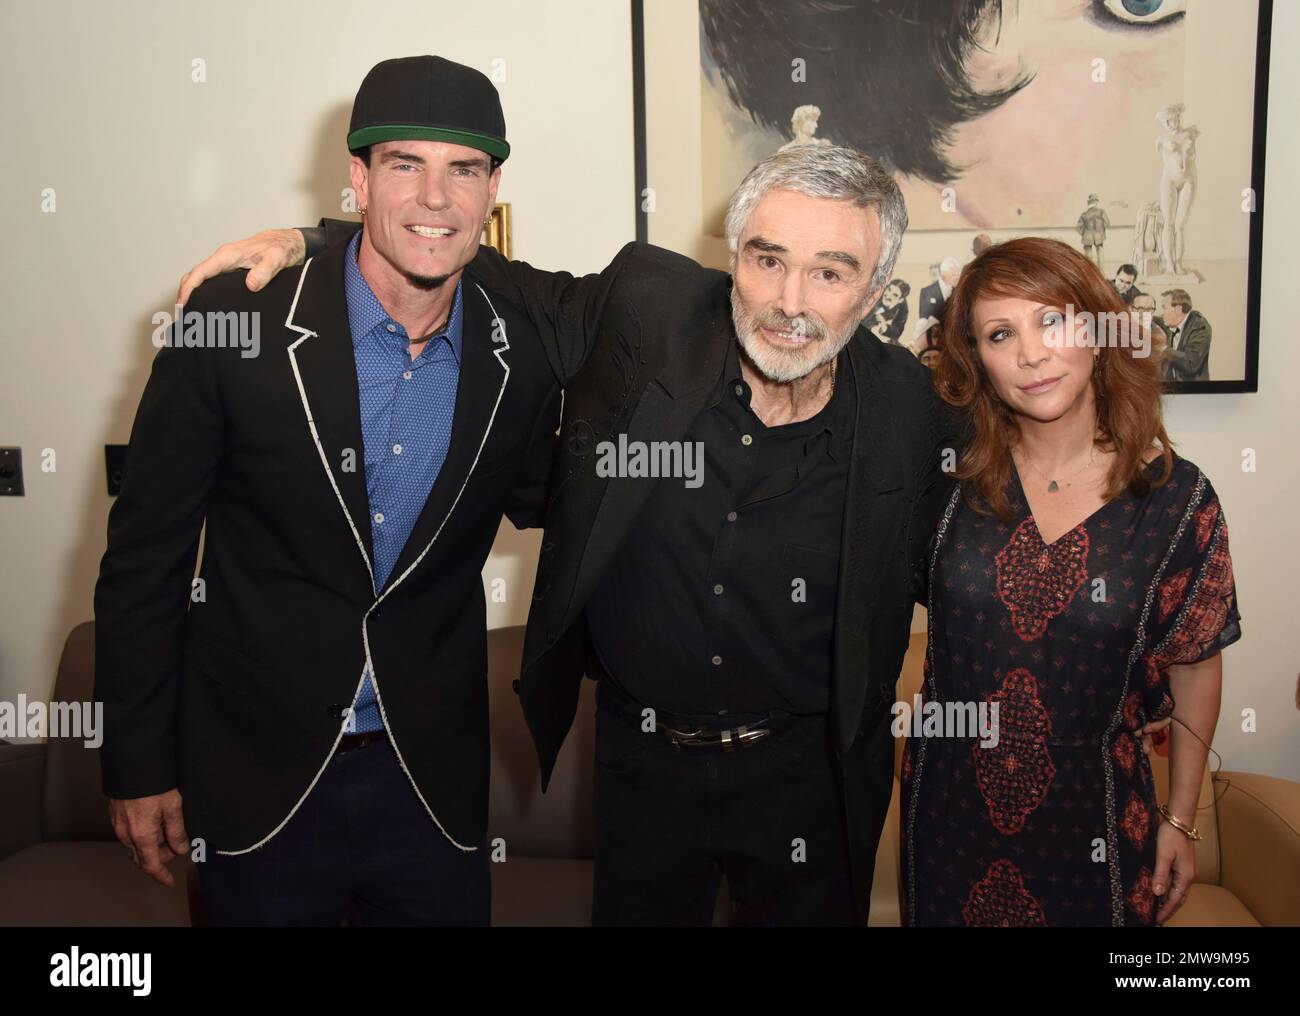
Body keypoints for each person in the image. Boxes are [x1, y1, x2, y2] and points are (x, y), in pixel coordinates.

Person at [181, 143, 960, 926]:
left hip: (812, 777)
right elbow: (479, 269)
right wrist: (312, 243)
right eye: (768, 260)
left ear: (874, 291)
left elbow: (989, 535)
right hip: (644, 762)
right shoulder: (647, 311)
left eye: (830, 272)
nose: (790, 301)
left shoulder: (911, 413)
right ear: (733, 257)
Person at [95, 56, 560, 926]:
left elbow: (556, 501)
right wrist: (137, 763)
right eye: (404, 165)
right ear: (358, 179)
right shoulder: (232, 324)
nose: (434, 198)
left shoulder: (523, 353)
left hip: (432, 788)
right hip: (257, 782)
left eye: (463, 169)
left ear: (492, 187)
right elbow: (145, 560)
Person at [903, 237, 1239, 926]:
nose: (1030, 353)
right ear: (979, 360)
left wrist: (1182, 817)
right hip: (949, 815)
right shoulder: (944, 483)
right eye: (1001, 333)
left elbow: (1196, 668)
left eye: (1052, 320)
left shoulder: (1177, 501)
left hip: (1101, 817)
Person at [1158, 288, 1212, 382]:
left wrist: (1163, 349)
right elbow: (1154, 319)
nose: (1162, 313)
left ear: (1178, 310)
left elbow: (1190, 364)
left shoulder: (1199, 326)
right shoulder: (1171, 322)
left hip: (1194, 392)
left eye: (1164, 308)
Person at [917, 256, 960, 330]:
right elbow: (924, 320)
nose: (957, 277)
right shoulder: (926, 292)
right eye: (954, 274)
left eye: (957, 274)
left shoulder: (957, 290)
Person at [865, 278, 910, 343]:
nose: (888, 296)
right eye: (889, 290)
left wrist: (885, 327)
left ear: (900, 300)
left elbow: (897, 332)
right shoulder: (877, 291)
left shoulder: (903, 309)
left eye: (894, 295)